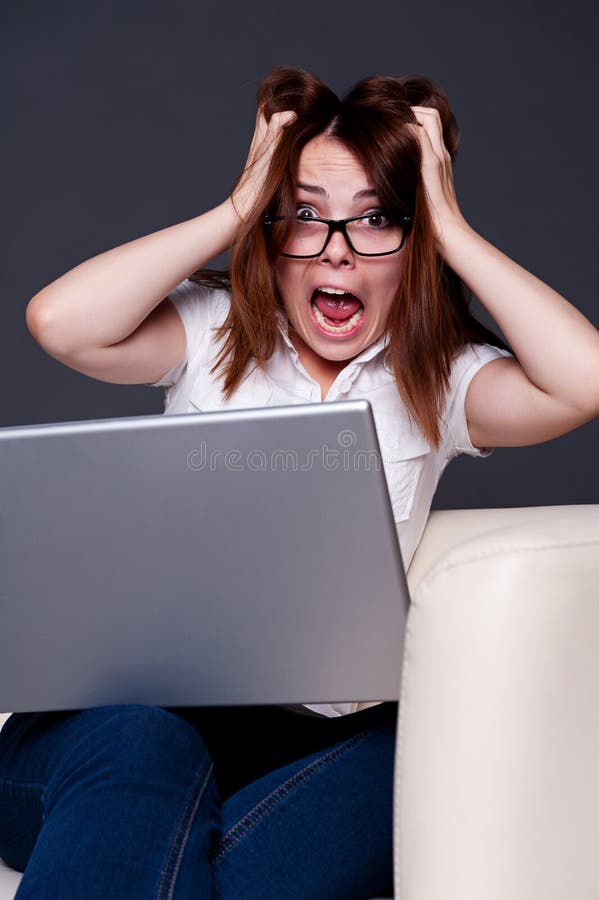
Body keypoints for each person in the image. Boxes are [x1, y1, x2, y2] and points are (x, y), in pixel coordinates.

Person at [2, 63, 598, 899]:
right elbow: (59, 322)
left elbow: (585, 380)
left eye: (376, 221)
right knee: (148, 748)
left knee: (423, 747)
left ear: (411, 236)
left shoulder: (442, 378)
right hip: (114, 728)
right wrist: (238, 206)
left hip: (314, 744)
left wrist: (451, 226)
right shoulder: (209, 328)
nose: (336, 253)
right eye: (306, 218)